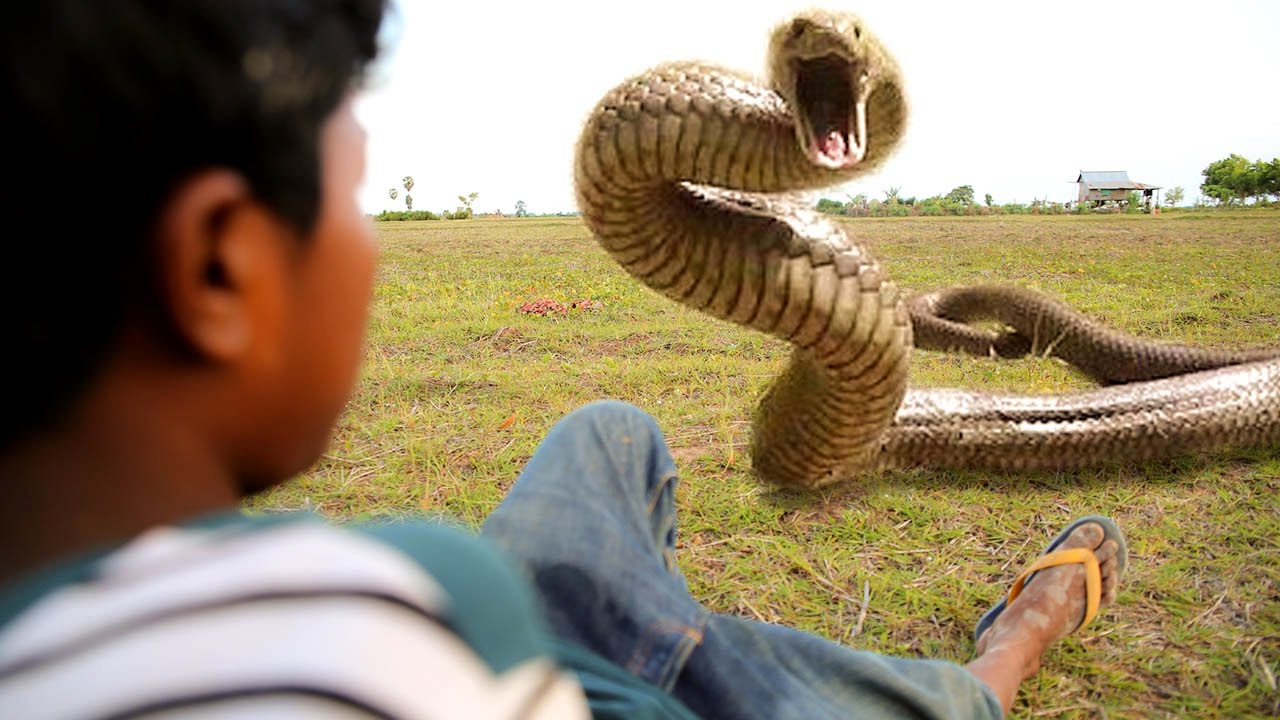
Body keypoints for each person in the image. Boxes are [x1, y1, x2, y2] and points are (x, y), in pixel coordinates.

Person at [0, 1, 1126, 718]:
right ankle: (998, 662)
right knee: (687, 659)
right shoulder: (398, 617)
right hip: (567, 687)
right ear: (217, 270)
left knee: (610, 435)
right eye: (353, 195)